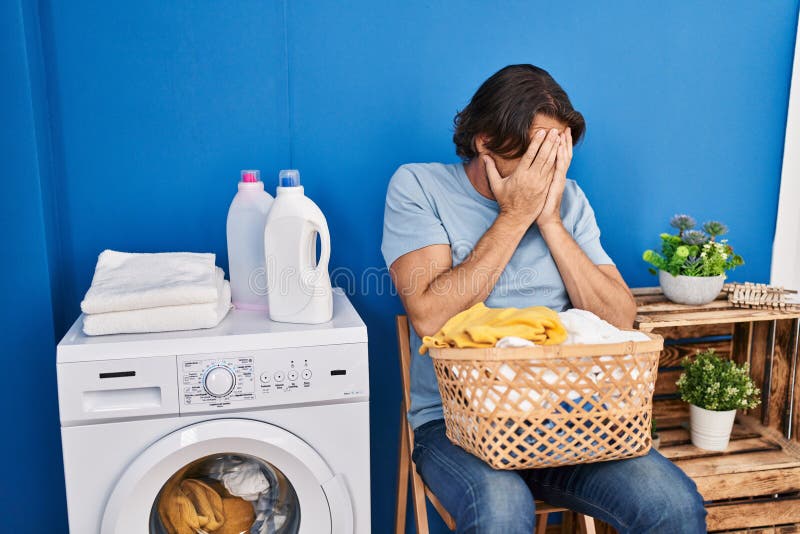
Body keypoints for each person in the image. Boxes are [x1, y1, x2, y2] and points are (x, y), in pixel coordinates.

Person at [381, 64, 707, 533]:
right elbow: (430, 318)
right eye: (536, 150)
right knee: (501, 507)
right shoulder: (419, 187)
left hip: (571, 422)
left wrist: (550, 220)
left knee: (671, 505)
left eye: (558, 150)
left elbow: (619, 318)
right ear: (485, 142)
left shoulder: (569, 201)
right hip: (457, 426)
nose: (548, 165)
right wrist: (515, 216)